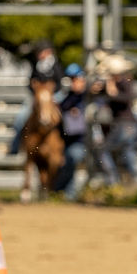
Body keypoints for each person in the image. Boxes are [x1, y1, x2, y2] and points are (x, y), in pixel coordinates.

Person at [7, 43, 64, 155]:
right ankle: (15, 146)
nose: (39, 55)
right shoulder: (37, 66)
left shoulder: (56, 66)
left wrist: (50, 93)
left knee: (63, 118)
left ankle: (64, 146)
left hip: (53, 98)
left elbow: (60, 84)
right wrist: (36, 91)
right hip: (37, 98)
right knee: (21, 117)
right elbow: (30, 83)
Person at [94, 56, 137, 183]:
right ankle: (131, 182)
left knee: (103, 151)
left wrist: (110, 87)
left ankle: (113, 182)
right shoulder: (123, 82)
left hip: (125, 124)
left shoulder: (124, 82)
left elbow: (122, 98)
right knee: (127, 153)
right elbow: (96, 91)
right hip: (128, 124)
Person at [52, 63, 91, 199]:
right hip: (67, 141)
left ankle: (68, 194)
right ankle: (58, 192)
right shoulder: (67, 97)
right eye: (71, 79)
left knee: (72, 158)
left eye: (75, 79)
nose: (73, 83)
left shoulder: (87, 96)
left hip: (83, 141)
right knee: (64, 162)